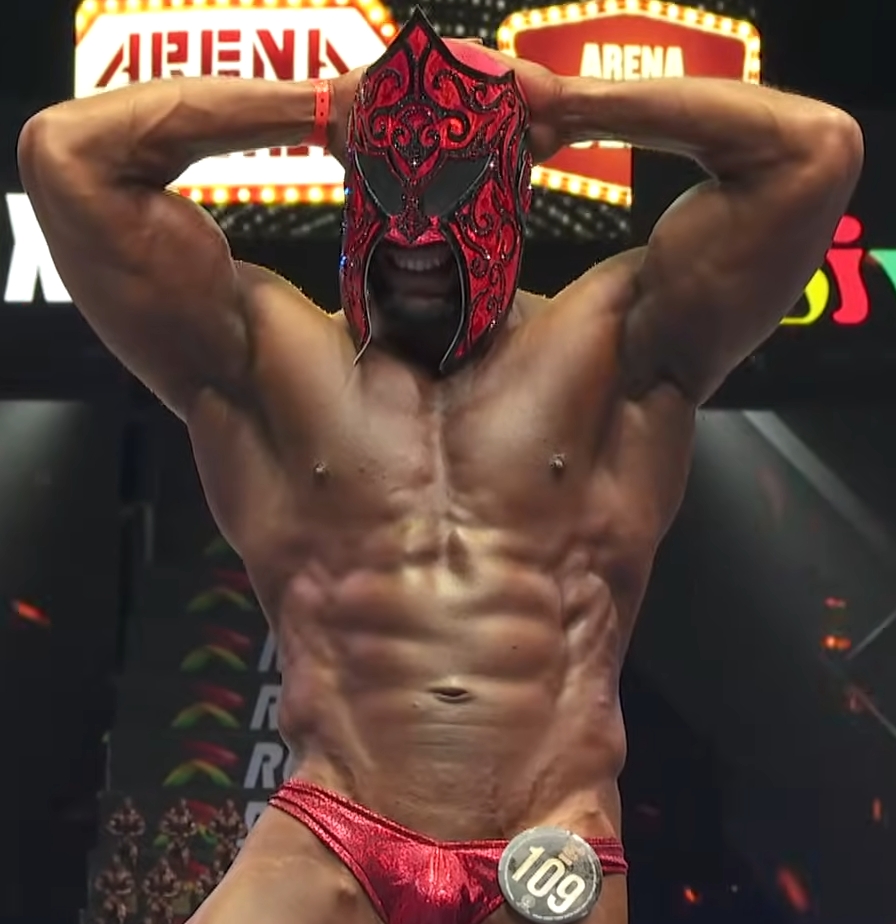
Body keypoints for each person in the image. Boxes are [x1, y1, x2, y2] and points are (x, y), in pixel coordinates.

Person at [19, 9, 862, 924]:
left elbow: (817, 148)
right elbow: (63, 151)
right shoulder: (265, 357)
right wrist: (321, 108)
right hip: (332, 832)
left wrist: (566, 103)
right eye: (392, 199)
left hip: (549, 843)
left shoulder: (618, 347)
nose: (417, 239)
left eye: (452, 197)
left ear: (507, 196)